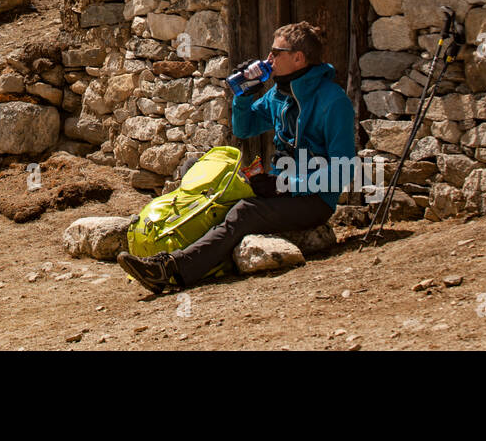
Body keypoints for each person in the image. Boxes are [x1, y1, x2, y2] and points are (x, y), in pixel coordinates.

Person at [117, 21, 356, 294]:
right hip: (278, 186)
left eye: (276, 52)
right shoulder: (280, 94)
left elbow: (343, 170)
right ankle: (166, 240)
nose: (269, 59)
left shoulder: (333, 101)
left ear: (298, 58)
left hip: (313, 199)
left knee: (245, 212)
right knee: (201, 171)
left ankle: (172, 269)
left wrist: (285, 185)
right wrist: (244, 95)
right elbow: (246, 128)